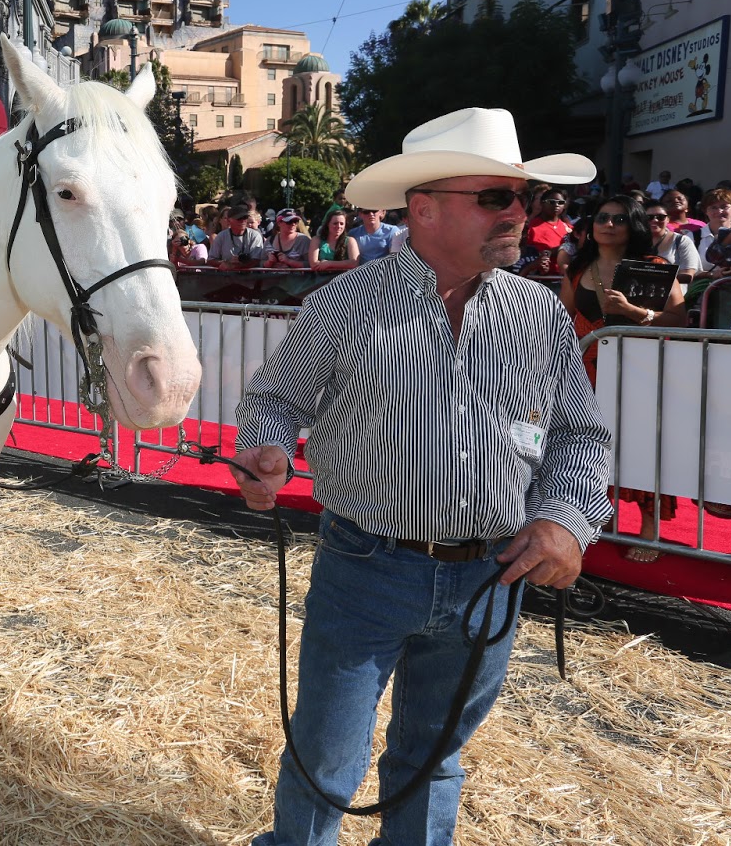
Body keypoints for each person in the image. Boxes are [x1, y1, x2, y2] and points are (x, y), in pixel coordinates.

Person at [232, 106, 612, 846]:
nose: (519, 215)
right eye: (498, 198)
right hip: (365, 568)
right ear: (425, 209)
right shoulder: (343, 305)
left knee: (433, 762)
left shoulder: (539, 313)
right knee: (325, 760)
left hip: (491, 580)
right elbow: (273, 400)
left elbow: (579, 436)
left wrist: (566, 518)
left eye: (523, 198)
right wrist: (267, 450)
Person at [558, 196, 685, 563]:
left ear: (633, 226)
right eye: (601, 217)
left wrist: (634, 312)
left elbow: (679, 321)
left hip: (641, 373)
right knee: (588, 447)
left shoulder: (654, 267)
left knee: (643, 448)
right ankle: (597, 516)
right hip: (587, 374)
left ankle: (650, 529)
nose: (608, 224)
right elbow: (564, 321)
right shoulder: (579, 268)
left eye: (618, 219)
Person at [647, 202, 702, 292]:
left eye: (661, 217)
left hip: (673, 297)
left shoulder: (682, 241)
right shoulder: (636, 241)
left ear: (668, 219)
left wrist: (653, 276)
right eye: (649, 217)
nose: (655, 220)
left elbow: (688, 275)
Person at [521, 185, 572, 276]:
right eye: (551, 202)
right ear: (542, 203)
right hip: (539, 279)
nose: (556, 205)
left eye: (560, 202)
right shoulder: (531, 228)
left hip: (564, 279)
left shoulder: (569, 228)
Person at [208, 203, 266, 269]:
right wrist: (226, 262)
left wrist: (236, 266)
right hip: (227, 276)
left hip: (250, 276)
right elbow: (211, 260)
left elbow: (256, 260)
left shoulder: (255, 235)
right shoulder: (221, 236)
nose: (243, 221)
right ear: (229, 221)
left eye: (245, 217)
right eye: (239, 218)